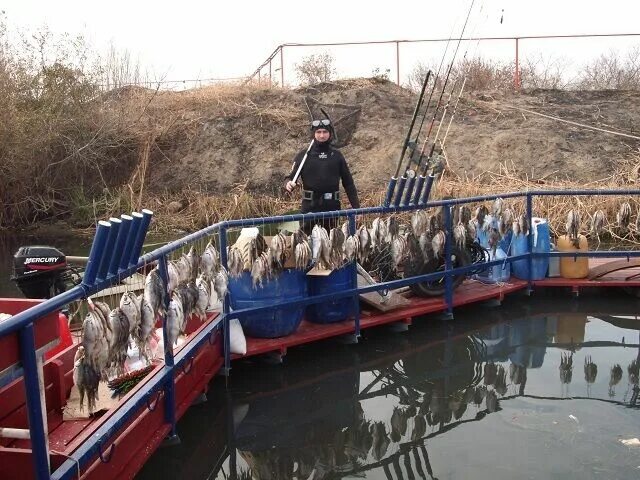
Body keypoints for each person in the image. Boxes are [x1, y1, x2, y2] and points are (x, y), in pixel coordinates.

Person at [284, 119, 360, 232]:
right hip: (309, 208)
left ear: (330, 134)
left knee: (331, 244)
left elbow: (348, 183)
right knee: (307, 245)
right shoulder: (303, 156)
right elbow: (289, 178)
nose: (322, 135)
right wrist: (288, 183)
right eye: (318, 132)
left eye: (325, 132)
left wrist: (356, 208)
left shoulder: (337, 155)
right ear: (313, 134)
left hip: (332, 208)